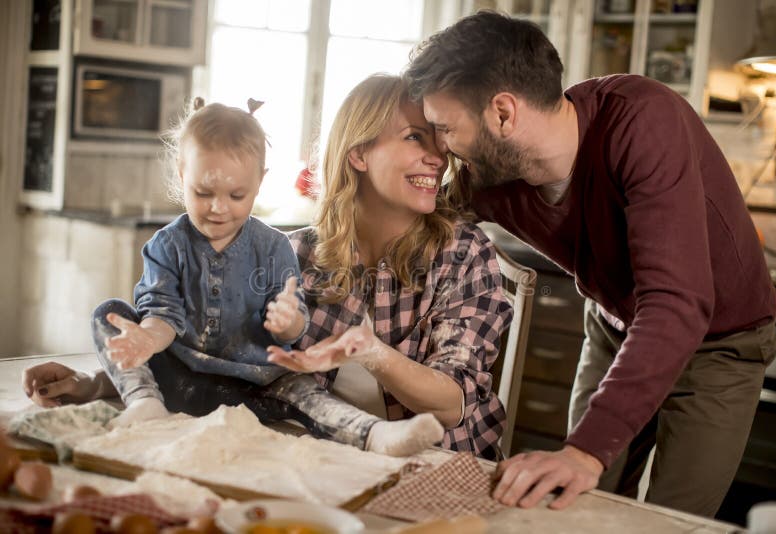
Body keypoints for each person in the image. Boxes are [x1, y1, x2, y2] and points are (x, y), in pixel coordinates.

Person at [404, 10, 776, 516]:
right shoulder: (488, 174)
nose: (443, 148)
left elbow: (676, 302)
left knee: (669, 520)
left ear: (503, 113)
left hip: (721, 344)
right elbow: (409, 220)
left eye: (446, 128)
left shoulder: (642, 120)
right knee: (587, 508)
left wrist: (584, 452)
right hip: (615, 328)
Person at [23, 74, 514, 460]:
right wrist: (94, 383)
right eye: (415, 138)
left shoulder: (463, 255)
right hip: (319, 458)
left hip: (438, 469)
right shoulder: (294, 254)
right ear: (359, 153)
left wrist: (372, 353)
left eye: (439, 142)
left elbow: (452, 405)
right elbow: (210, 356)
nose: (438, 158)